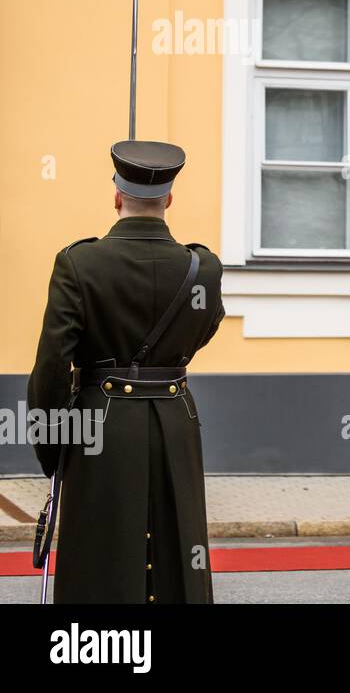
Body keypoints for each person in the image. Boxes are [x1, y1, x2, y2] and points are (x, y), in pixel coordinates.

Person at [29, 140, 225, 603]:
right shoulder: (204, 268)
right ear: (170, 199)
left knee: (100, 557)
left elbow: (52, 366)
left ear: (116, 196)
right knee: (179, 547)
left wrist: (52, 448)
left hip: (100, 425)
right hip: (176, 419)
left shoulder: (79, 264)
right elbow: (205, 329)